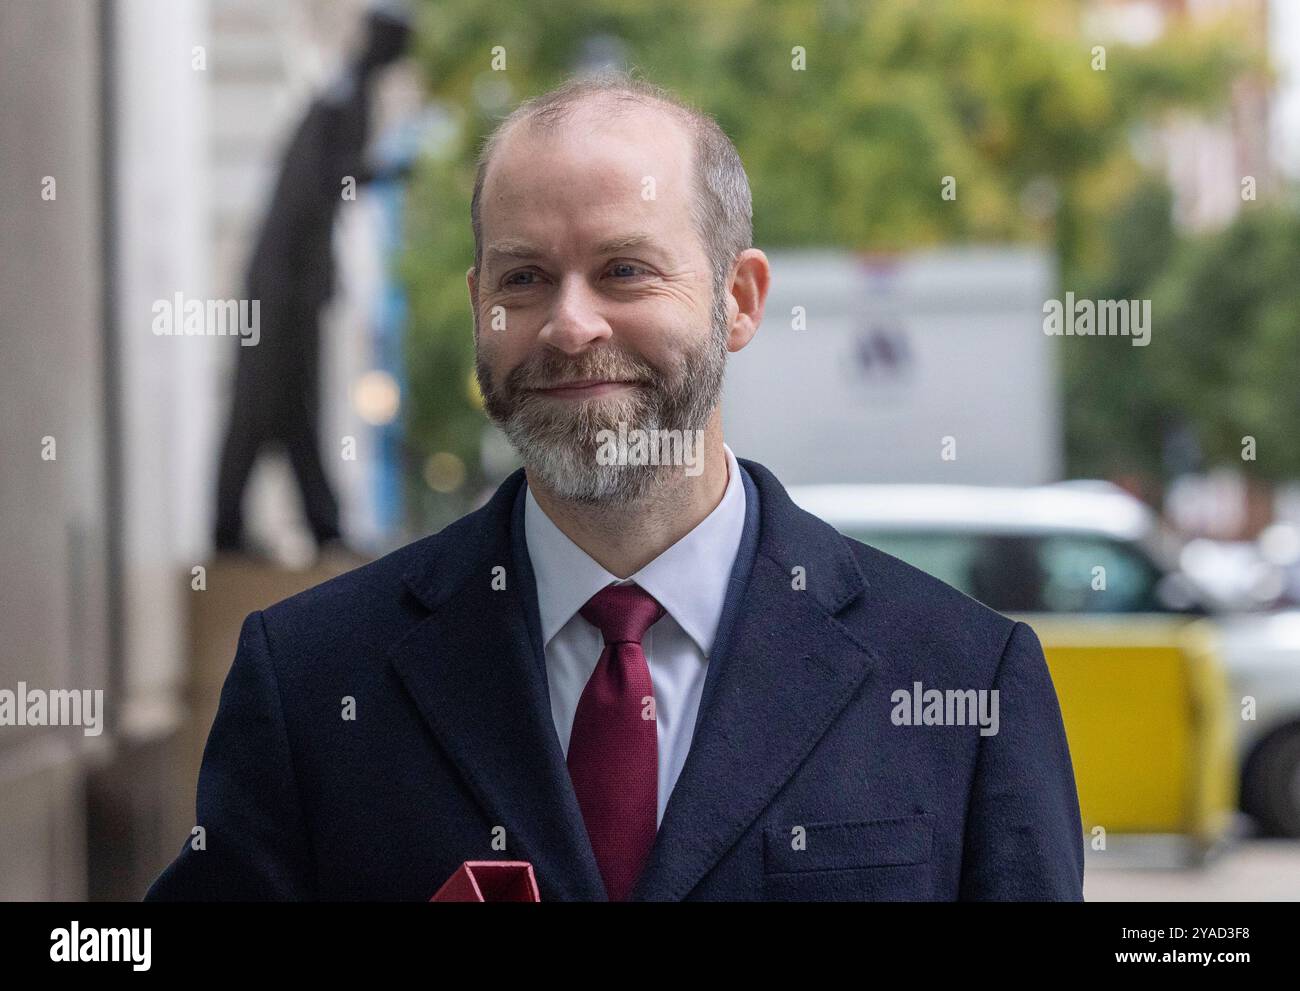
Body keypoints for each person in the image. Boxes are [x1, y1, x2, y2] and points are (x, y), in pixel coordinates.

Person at [148, 70, 1084, 901]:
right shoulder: (313, 676)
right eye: (525, 278)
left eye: (624, 270)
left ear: (740, 299)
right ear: (481, 306)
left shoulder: (964, 680)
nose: (569, 324)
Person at [212, 5, 411, 556]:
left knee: (292, 408)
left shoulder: (344, 91)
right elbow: (329, 179)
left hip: (290, 282)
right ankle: (234, 529)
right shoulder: (347, 96)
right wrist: (389, 170)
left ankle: (317, 526)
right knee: (261, 405)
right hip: (284, 285)